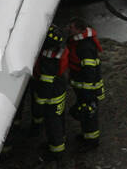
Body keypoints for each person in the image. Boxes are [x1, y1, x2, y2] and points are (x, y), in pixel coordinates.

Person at [30, 25, 70, 160]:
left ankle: (56, 152)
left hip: (51, 95)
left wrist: (40, 101)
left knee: (53, 123)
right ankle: (60, 140)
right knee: (59, 118)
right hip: (59, 88)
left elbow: (46, 83)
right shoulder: (59, 51)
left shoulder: (49, 60)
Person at [67, 23, 105, 151]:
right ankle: (87, 136)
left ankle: (92, 141)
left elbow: (90, 71)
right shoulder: (79, 43)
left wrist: (88, 91)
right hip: (82, 87)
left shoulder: (85, 46)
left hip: (87, 88)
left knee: (90, 113)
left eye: (71, 27)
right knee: (85, 111)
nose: (69, 29)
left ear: (79, 29)